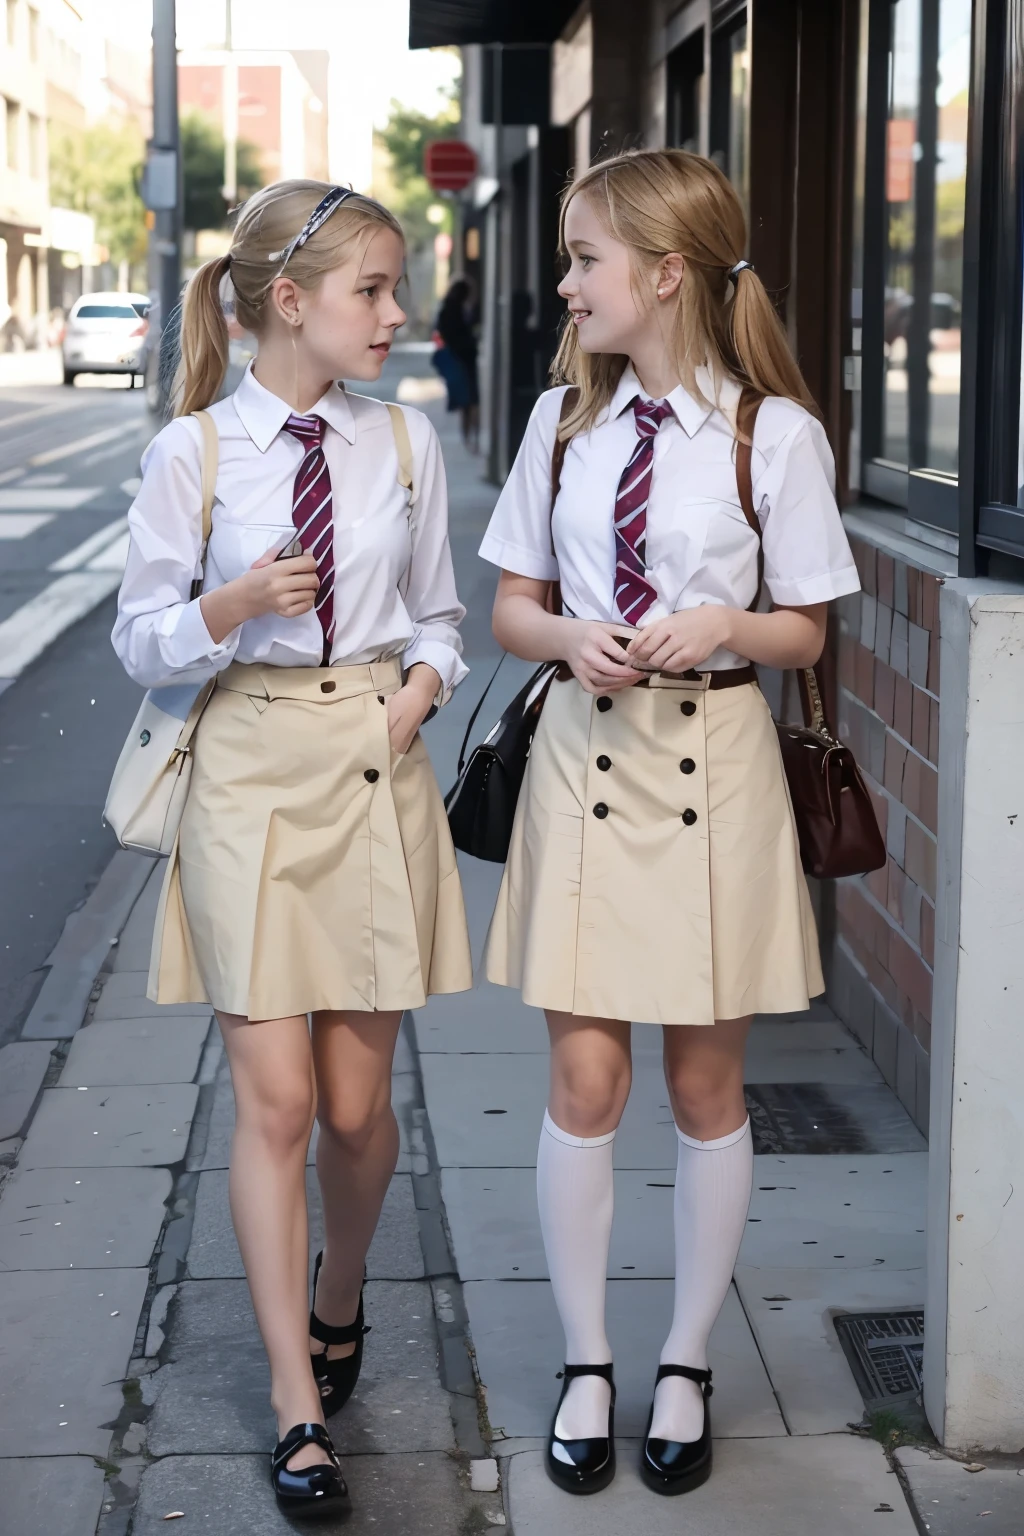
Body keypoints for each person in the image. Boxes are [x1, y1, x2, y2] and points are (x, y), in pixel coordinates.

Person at [478, 148, 860, 1499]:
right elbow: (509, 607)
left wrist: (723, 625)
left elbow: (806, 626)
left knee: (706, 1087)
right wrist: (569, 637)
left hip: (718, 764)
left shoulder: (776, 434)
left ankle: (687, 1361)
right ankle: (589, 1359)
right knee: (584, 1084)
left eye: (583, 259)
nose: (566, 283)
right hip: (586, 758)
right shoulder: (561, 427)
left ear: (664, 274)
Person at [112, 180, 473, 1519]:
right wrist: (233, 601)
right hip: (247, 775)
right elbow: (139, 640)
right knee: (273, 1106)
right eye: (372, 290)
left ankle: (341, 1291)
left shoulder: (407, 445)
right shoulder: (193, 454)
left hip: (373, 762)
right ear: (291, 301)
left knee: (357, 1110)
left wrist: (417, 697)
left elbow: (442, 619)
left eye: (392, 289)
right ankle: (294, 1401)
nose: (395, 314)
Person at [433, 276, 479, 451]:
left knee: (467, 402)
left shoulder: (452, 309)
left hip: (461, 358)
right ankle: (470, 438)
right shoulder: (455, 310)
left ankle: (469, 437)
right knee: (469, 400)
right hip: (462, 359)